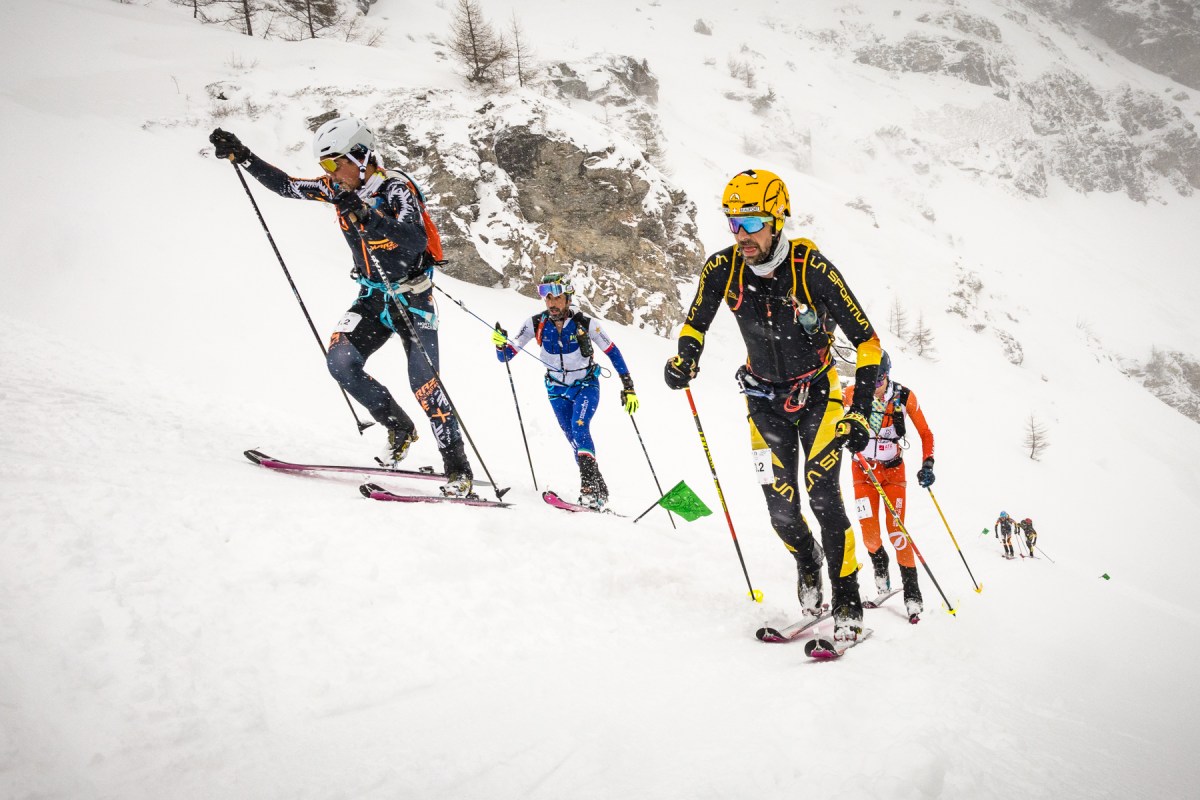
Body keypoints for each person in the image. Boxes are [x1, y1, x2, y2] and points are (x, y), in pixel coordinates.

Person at [663, 168, 886, 645]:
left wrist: (860, 411)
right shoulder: (722, 268)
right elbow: (694, 324)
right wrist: (685, 358)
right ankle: (809, 562)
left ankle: (847, 596)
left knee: (823, 494)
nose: (741, 235)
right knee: (781, 510)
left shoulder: (812, 268)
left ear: (778, 219)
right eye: (733, 224)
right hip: (763, 401)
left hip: (819, 397)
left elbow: (868, 343)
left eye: (752, 223)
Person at [208, 119, 474, 497]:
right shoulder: (337, 188)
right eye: (324, 166)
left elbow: (414, 240)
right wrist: (244, 156)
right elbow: (286, 186)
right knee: (340, 362)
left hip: (413, 300)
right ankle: (398, 426)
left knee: (425, 384)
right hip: (372, 297)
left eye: (334, 163)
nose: (328, 173)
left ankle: (458, 468)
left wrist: (370, 217)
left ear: (361, 156)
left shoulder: (394, 188)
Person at [493, 272, 638, 509]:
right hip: (556, 390)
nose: (551, 303)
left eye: (557, 298)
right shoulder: (535, 323)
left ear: (568, 298)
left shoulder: (587, 324)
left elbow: (613, 352)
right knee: (574, 440)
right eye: (547, 298)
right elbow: (506, 356)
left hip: (585, 386)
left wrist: (628, 387)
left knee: (580, 428)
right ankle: (600, 489)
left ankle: (589, 491)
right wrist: (500, 343)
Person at [842, 351, 935, 622]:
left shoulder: (905, 397)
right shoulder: (851, 394)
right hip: (862, 470)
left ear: (888, 374)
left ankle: (912, 592)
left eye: (879, 379)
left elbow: (926, 433)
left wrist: (927, 464)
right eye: (869, 379)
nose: (874, 386)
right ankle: (880, 569)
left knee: (897, 532)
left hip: (892, 471)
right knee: (869, 535)